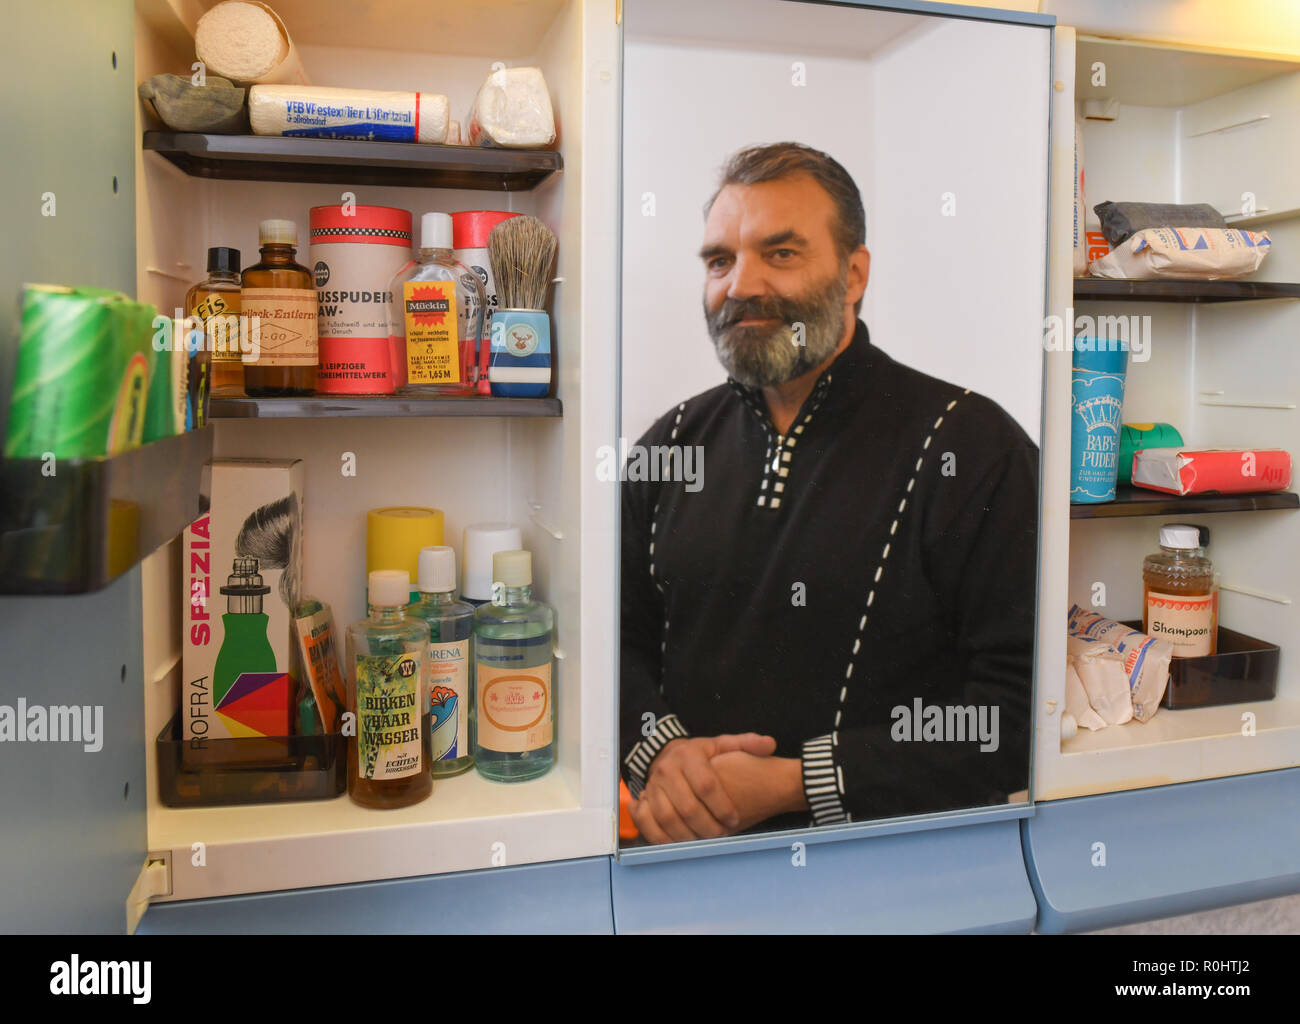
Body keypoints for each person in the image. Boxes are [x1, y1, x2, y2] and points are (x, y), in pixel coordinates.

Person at [620, 142, 1039, 844]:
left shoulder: (972, 446)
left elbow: (1017, 710)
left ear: (853, 275)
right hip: (687, 858)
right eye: (720, 260)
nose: (741, 285)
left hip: (909, 871)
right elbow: (615, 637)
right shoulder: (668, 447)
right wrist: (660, 754)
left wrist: (796, 782)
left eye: (780, 254)